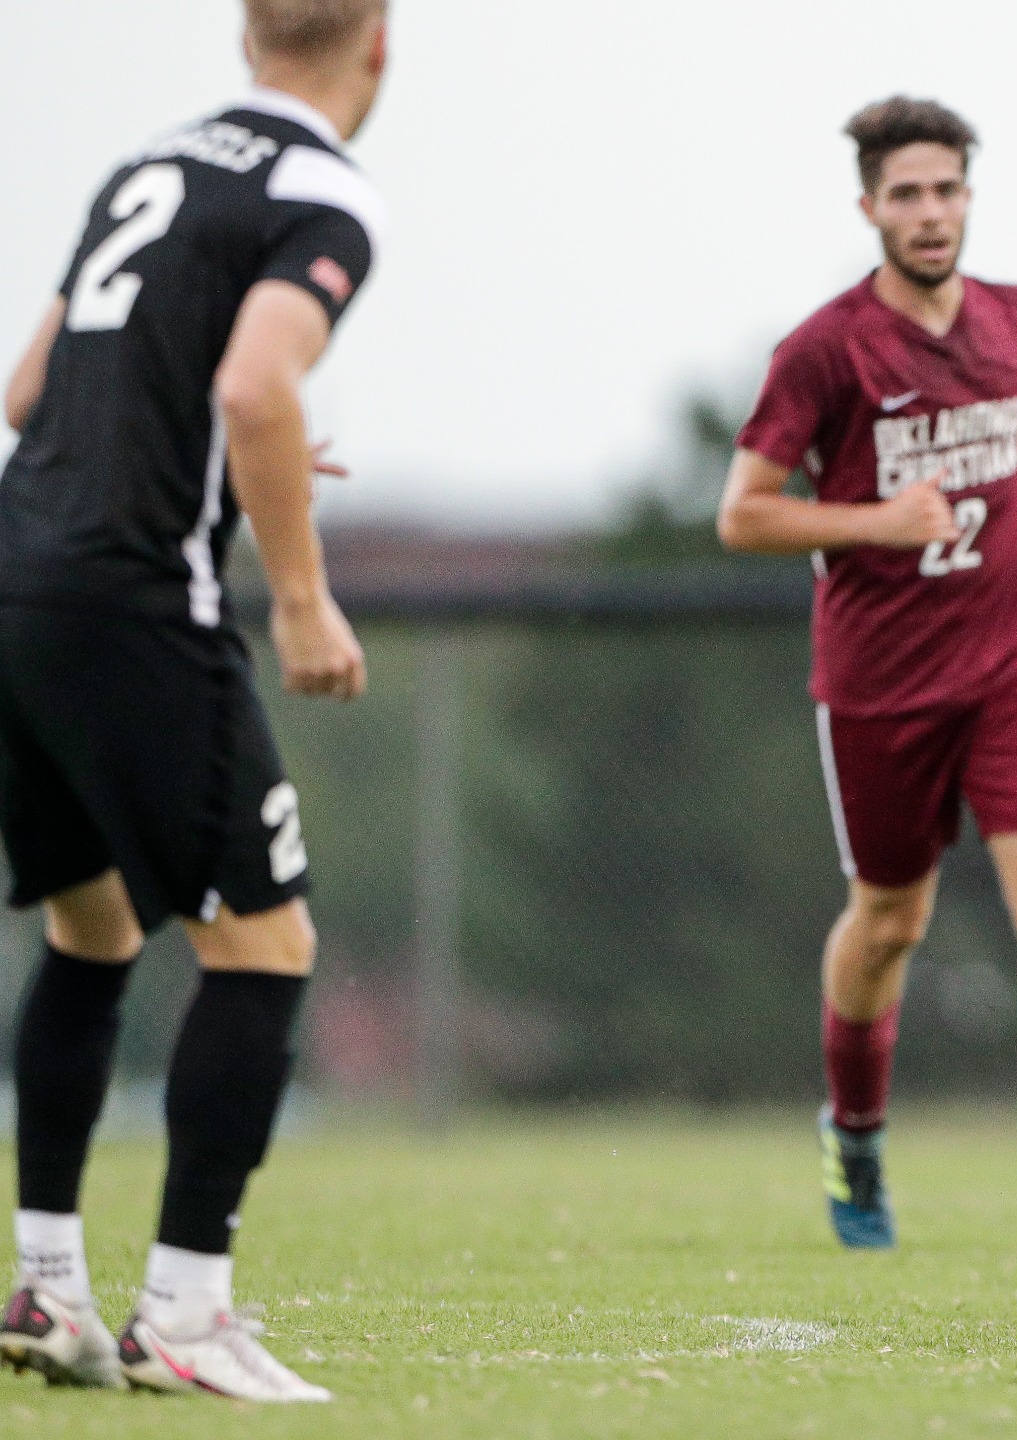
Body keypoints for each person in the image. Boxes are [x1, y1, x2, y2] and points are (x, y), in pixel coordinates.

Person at [0, 0, 388, 1401]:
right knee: (266, 949)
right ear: (379, 46)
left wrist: (236, 449)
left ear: (244, 41)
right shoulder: (318, 184)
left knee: (90, 929)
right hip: (135, 602)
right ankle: (187, 1312)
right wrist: (300, 593)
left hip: (18, 576)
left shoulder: (143, 162)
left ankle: (48, 1290)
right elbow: (253, 387)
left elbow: (30, 385)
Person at [717, 97, 1017, 1251]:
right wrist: (876, 523)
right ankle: (852, 1134)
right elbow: (741, 515)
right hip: (882, 684)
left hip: (1013, 664)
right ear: (868, 208)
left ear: (968, 196)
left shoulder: (1015, 316)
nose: (929, 212)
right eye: (906, 194)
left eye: (945, 189)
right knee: (890, 921)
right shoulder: (825, 348)